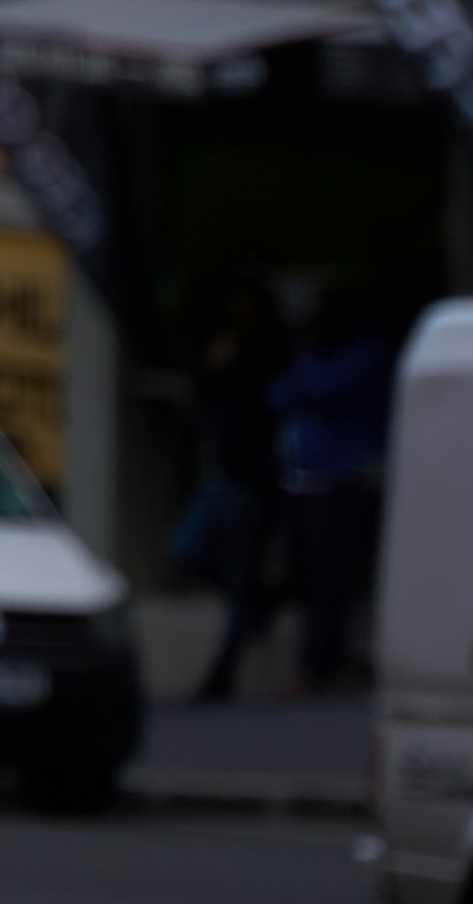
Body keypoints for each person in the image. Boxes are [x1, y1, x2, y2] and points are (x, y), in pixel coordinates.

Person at [267, 285, 399, 694]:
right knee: (303, 575)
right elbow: (276, 395)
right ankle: (326, 658)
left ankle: (318, 666)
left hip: (341, 478)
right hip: (301, 478)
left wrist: (303, 366)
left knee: (330, 580)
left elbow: (324, 389)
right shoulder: (317, 357)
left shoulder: (365, 353)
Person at [178, 279, 289, 701]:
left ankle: (221, 675)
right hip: (225, 473)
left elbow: (267, 407)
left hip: (250, 478)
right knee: (187, 551)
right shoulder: (231, 351)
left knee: (239, 576)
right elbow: (204, 394)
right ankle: (258, 602)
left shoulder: (266, 353)